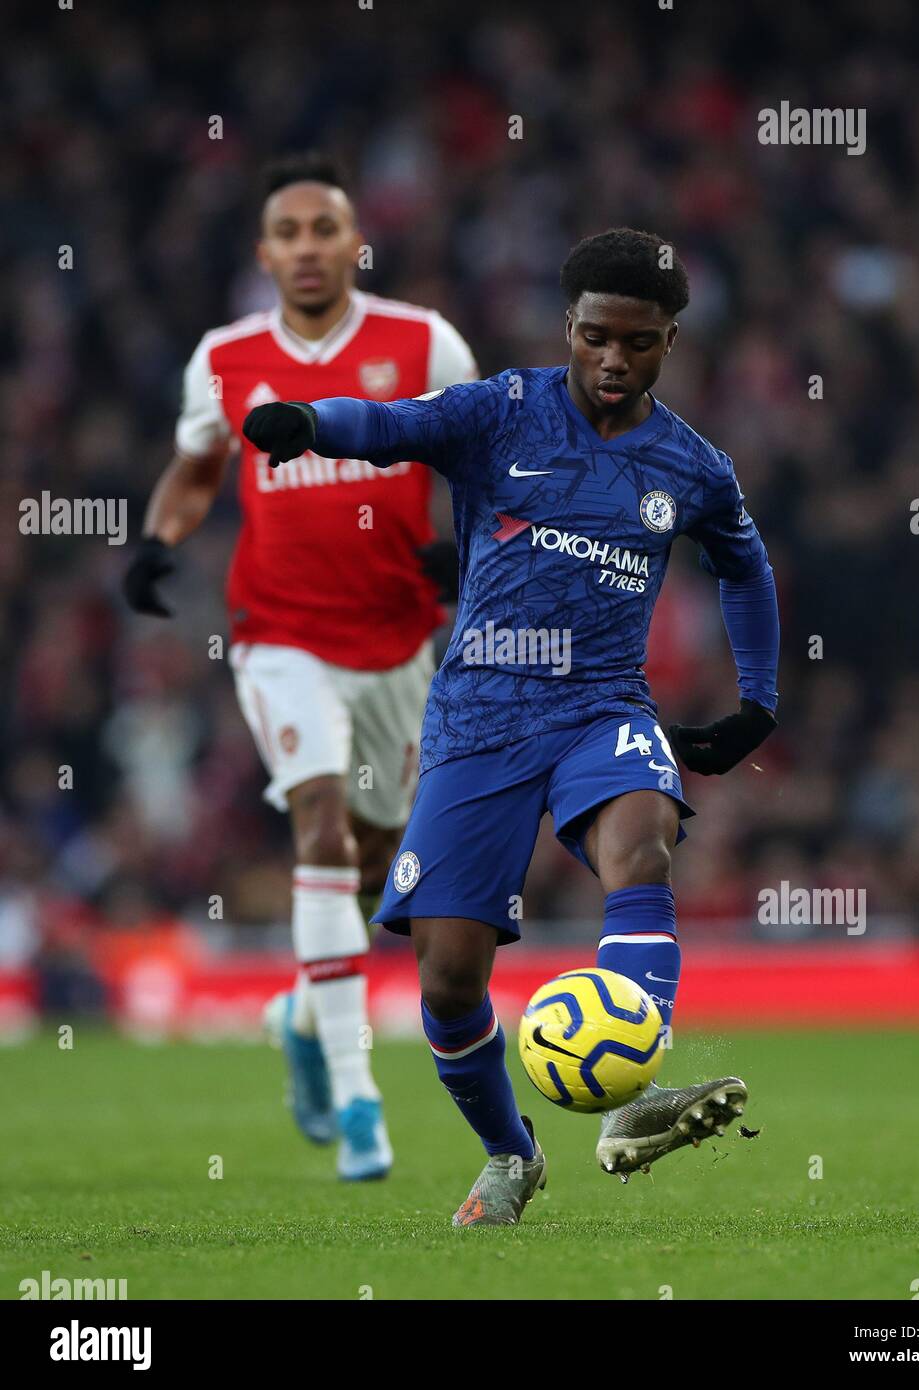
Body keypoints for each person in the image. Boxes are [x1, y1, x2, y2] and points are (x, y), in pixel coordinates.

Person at [241, 227, 779, 1224]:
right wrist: (310, 420)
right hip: (478, 718)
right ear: (566, 329)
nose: (613, 359)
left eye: (639, 341)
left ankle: (629, 1090)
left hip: (601, 707)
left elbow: (743, 566)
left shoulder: (693, 465)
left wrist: (756, 700)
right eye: (594, 337)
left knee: (642, 848)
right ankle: (512, 1151)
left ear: (670, 341)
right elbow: (393, 424)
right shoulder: (502, 413)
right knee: (446, 978)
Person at [123, 152, 478, 1181]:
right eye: (289, 232)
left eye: (325, 228)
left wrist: (470, 539)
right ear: (264, 252)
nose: (308, 248)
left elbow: (491, 456)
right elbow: (196, 466)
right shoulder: (225, 358)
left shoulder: (422, 342)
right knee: (317, 819)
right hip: (279, 636)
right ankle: (361, 1099)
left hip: (401, 642)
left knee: (376, 863)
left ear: (353, 242)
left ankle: (298, 1013)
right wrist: (160, 539)